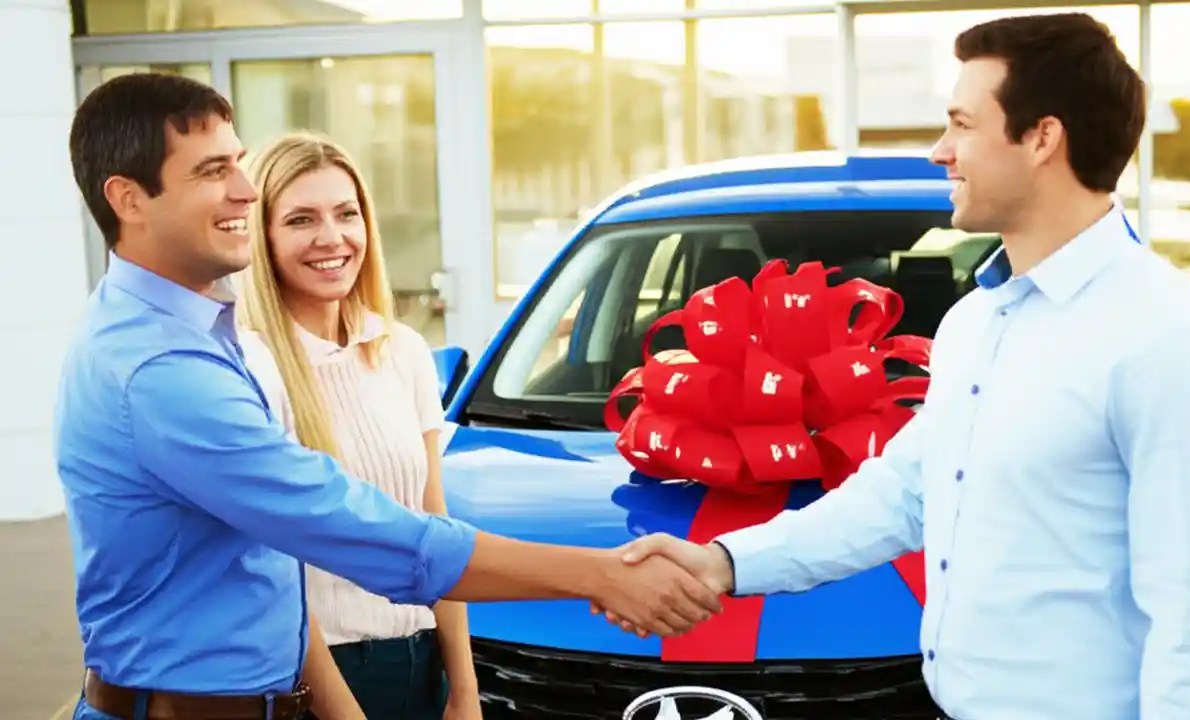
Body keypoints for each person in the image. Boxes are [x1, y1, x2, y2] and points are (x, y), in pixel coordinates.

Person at [604, 12, 1190, 720]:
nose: (939, 152)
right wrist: (726, 563)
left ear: (1042, 138)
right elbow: (902, 495)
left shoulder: (1171, 341)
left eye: (961, 124)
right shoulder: (975, 323)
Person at [57, 72, 720, 720]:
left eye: (238, 163)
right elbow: (345, 524)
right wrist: (599, 575)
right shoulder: (161, 367)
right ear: (129, 199)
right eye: (211, 172)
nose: (244, 190)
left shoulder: (189, 331)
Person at [234, 131, 479, 720]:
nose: (332, 238)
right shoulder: (250, 366)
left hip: (423, 667)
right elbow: (276, 575)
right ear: (262, 236)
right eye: (301, 219)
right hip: (322, 681)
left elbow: (435, 527)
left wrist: (465, 691)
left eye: (346, 214)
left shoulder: (404, 350)